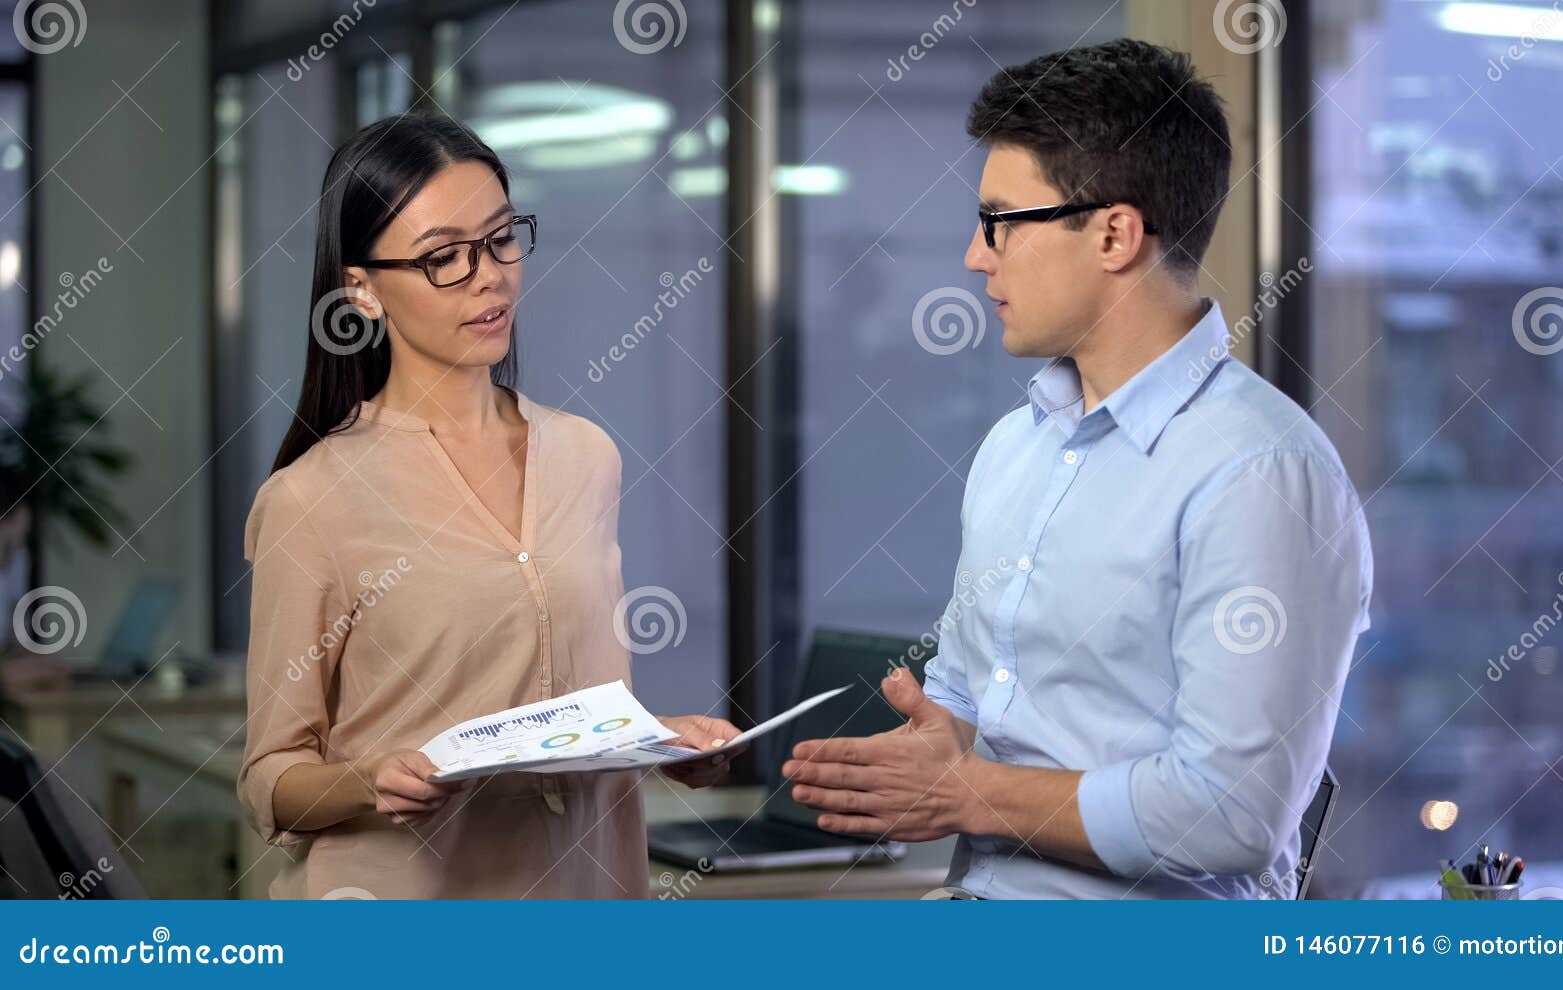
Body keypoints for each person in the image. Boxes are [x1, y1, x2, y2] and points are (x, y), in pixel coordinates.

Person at [784, 39, 1372, 899]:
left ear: (1114, 234)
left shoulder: (1261, 474)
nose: (974, 256)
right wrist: (921, 748)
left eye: (999, 222)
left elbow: (1234, 814)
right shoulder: (1014, 447)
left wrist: (967, 791)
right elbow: (965, 706)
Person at [237, 114, 740, 899]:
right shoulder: (311, 498)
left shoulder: (586, 456)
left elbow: (576, 704)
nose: (489, 277)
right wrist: (370, 780)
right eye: (444, 257)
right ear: (361, 289)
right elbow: (270, 776)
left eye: (502, 239)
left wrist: (659, 741)